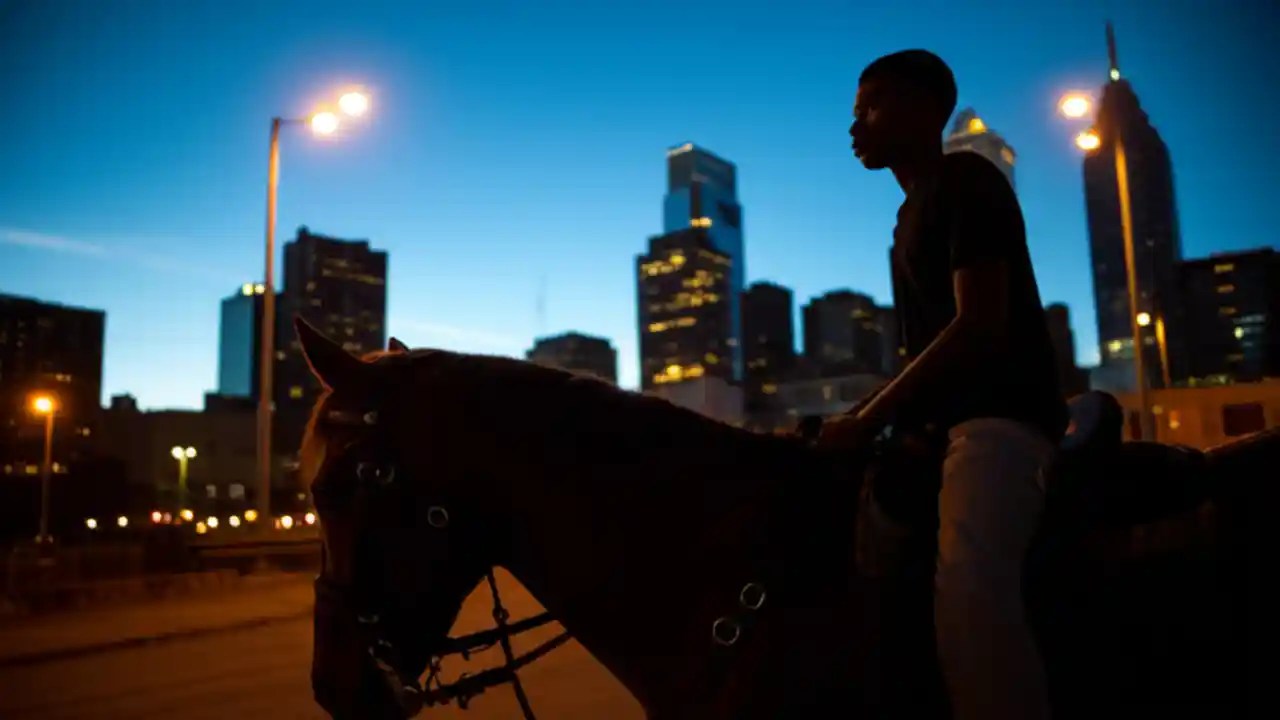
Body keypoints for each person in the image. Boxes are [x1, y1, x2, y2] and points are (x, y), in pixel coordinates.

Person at [820, 49, 1068, 719]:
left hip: (1000, 420)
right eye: (854, 114)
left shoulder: (966, 179)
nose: (855, 126)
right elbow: (923, 355)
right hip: (943, 428)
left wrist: (868, 419)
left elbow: (978, 324)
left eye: (869, 107)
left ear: (926, 110)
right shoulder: (903, 221)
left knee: (970, 587)